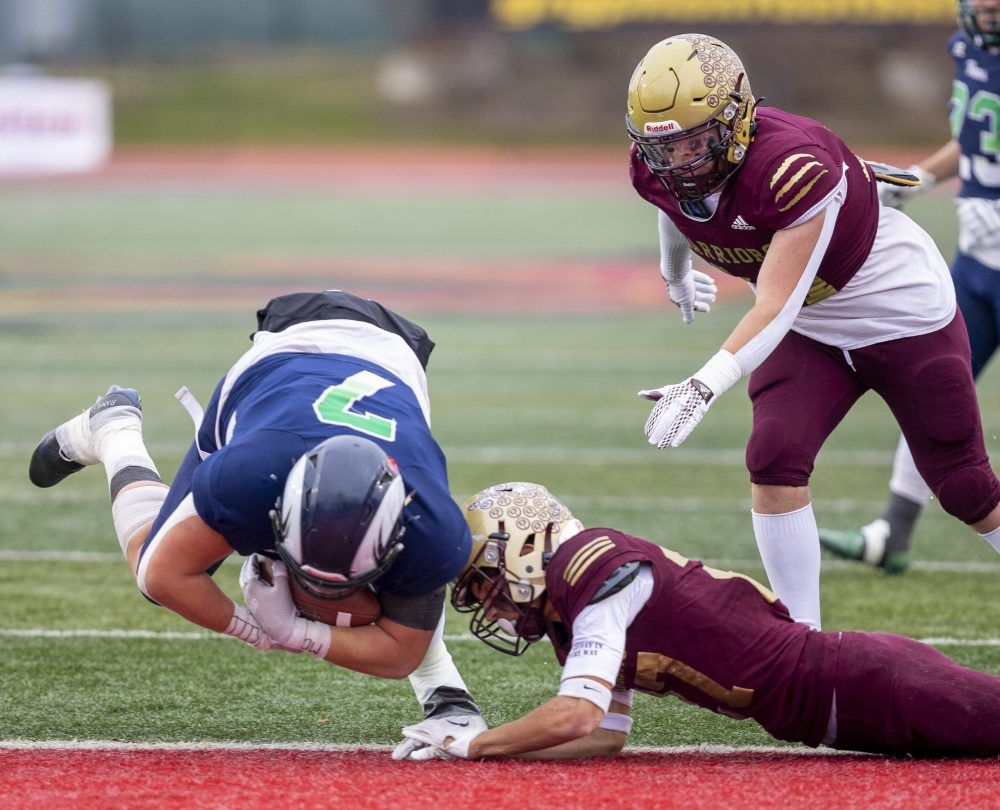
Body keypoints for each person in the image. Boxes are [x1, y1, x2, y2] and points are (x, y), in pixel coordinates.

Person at [624, 32, 1000, 630]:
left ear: (737, 116)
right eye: (663, 147)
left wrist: (701, 385)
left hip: (897, 314)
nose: (679, 161)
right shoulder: (658, 164)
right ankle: (802, 647)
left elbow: (775, 302)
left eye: (696, 141)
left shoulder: (793, 167)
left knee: (964, 487)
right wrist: (677, 271)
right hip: (812, 327)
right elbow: (672, 206)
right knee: (773, 458)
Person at [28, 289, 485, 741]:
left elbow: (400, 652)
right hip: (280, 357)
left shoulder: (429, 521)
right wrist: (252, 630)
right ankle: (115, 430)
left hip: (396, 353)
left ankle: (446, 695)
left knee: (386, 593)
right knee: (155, 566)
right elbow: (162, 576)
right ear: (275, 516)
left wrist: (294, 631)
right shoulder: (249, 477)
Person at [397, 482, 1000, 760]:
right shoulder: (572, 609)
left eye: (487, 583)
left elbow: (577, 714)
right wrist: (494, 749)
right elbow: (601, 736)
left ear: (523, 547)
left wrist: (476, 743)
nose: (492, 606)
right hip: (841, 713)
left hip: (864, 681)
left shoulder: (592, 569)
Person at [820, 0, 1000, 574]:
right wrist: (921, 176)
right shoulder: (967, 46)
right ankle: (894, 530)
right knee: (933, 385)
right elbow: (978, 142)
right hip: (977, 261)